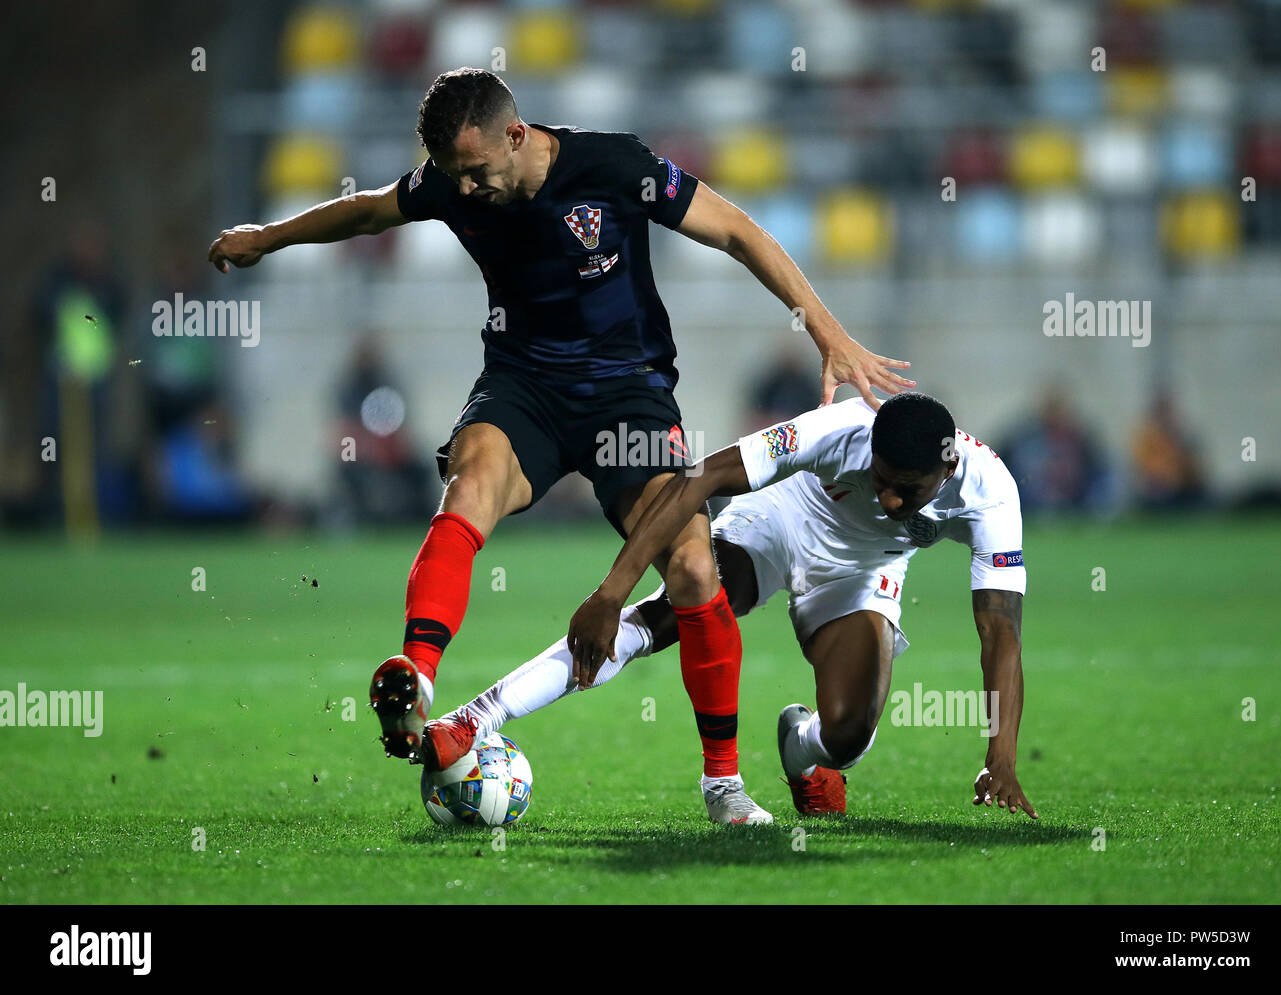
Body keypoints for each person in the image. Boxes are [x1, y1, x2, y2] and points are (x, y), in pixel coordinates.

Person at [207, 67, 914, 824]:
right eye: (454, 177)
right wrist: (268, 238)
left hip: (628, 394)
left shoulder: (612, 167)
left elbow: (738, 231)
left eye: (476, 173)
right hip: (524, 387)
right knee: (469, 485)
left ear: (516, 135)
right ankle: (417, 672)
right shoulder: (452, 183)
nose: (466, 191)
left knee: (693, 564)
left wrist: (828, 330)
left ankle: (724, 784)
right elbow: (370, 211)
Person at [428, 393, 1036, 819]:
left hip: (863, 572)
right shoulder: (841, 428)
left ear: (948, 465)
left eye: (909, 490)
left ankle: (800, 748)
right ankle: (477, 716)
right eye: (881, 480)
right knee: (670, 614)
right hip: (780, 523)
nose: (891, 499)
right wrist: (611, 592)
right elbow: (697, 478)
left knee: (849, 735)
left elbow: (999, 632)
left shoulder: (992, 494)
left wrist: (999, 757)